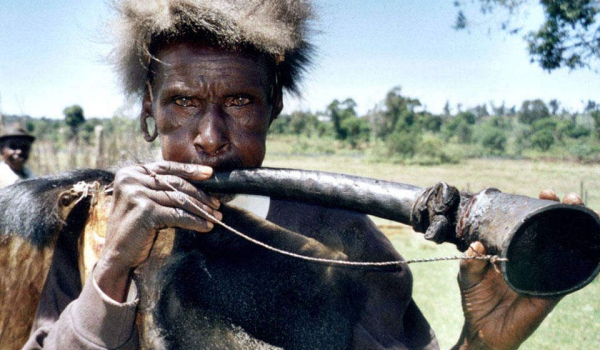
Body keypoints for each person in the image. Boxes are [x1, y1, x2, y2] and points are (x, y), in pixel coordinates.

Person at [22, 1, 573, 349]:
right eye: (183, 102)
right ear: (149, 111)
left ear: (273, 106)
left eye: (239, 101)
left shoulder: (339, 232)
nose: (211, 136)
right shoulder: (94, 226)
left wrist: (483, 343)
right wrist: (115, 264)